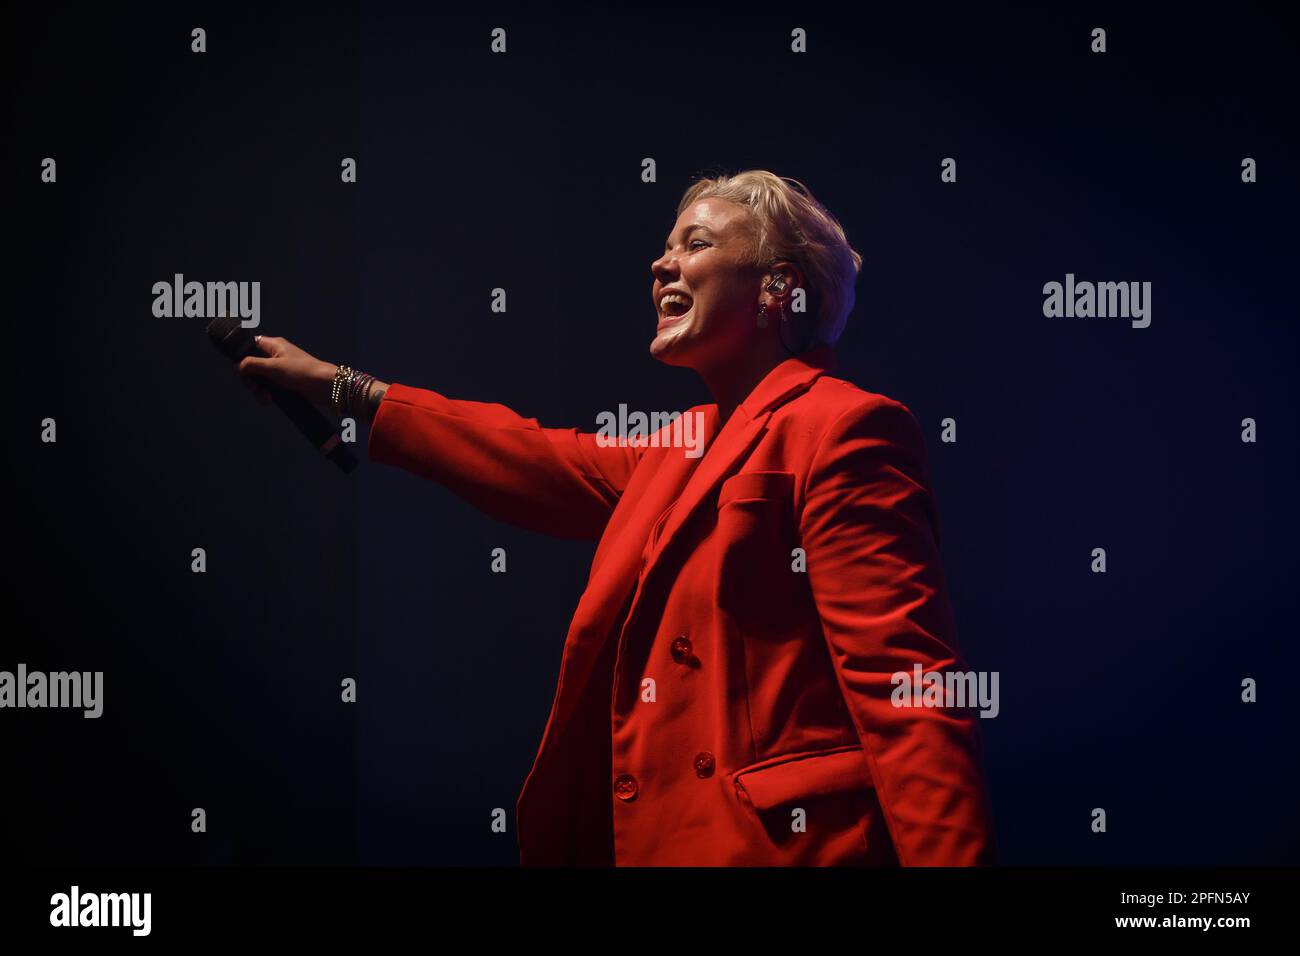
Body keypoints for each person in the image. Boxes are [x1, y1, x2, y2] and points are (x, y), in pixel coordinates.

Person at [237, 169, 998, 866]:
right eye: (665, 248)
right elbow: (526, 456)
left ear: (779, 288)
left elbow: (909, 686)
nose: (661, 264)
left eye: (695, 244)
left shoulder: (846, 428)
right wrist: (344, 387)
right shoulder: (681, 449)